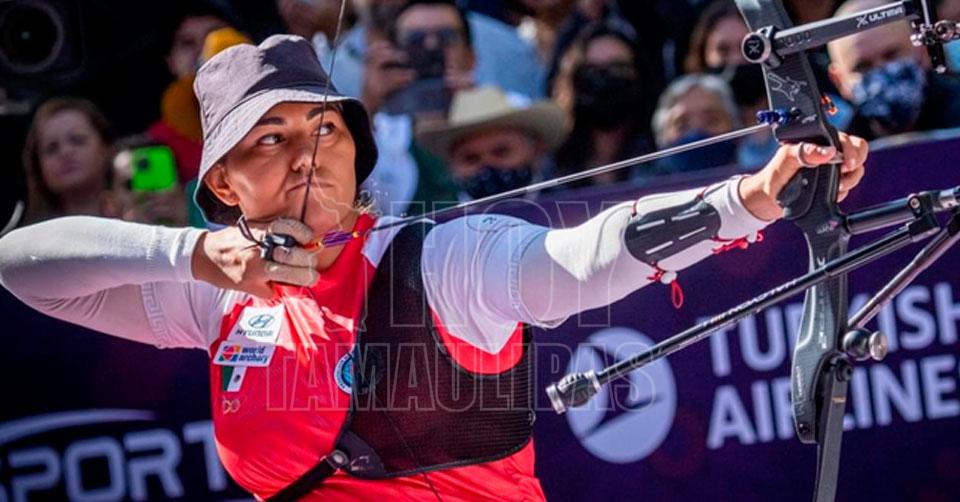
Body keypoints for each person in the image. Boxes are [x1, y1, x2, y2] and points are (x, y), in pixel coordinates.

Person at [0, 34, 869, 500]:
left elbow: (578, 262)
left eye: (325, 128)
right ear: (223, 183)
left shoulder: (439, 262)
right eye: (270, 138)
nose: (307, 154)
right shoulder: (216, 300)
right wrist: (192, 253)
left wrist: (751, 198)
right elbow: (18, 264)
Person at [314, 0, 544, 100]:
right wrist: (368, 115)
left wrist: (481, 104)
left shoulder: (507, 48)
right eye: (415, 39)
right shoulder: (325, 71)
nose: (428, 46)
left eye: (446, 38)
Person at [828, 0, 960, 140]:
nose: (881, 72)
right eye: (863, 66)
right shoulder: (837, 147)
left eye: (891, 55)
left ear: (923, 51)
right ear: (839, 80)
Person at [552, 19, 658, 187]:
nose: (603, 81)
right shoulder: (551, 165)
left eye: (618, 68)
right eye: (591, 71)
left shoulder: (662, 156)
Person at [414, 86, 568, 200]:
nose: (488, 166)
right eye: (471, 158)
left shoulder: (571, 207)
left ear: (535, 151)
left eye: (501, 152)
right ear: (453, 166)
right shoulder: (439, 225)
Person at [20, 97, 114, 223]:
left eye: (77, 140)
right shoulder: (30, 234)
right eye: (52, 148)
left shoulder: (139, 211)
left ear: (106, 147)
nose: (65, 153)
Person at [650, 74, 742, 176]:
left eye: (711, 121)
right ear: (662, 136)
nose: (696, 133)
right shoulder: (641, 185)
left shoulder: (754, 181)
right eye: (683, 125)